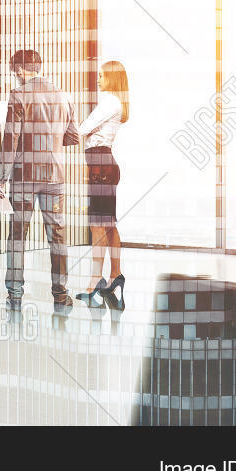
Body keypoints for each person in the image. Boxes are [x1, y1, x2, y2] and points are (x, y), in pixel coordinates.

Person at [0, 48, 79, 311]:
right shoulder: (64, 95)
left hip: (25, 177)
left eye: (14, 71)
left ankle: (15, 295)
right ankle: (60, 294)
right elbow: (74, 137)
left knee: (18, 236)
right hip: (55, 177)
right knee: (58, 236)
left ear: (20, 69)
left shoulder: (18, 95)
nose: (14, 76)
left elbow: (11, 139)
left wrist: (0, 178)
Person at [76, 61, 129, 309]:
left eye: (102, 76)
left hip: (101, 168)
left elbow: (83, 129)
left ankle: (95, 281)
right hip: (104, 167)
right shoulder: (115, 102)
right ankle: (115, 276)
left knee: (98, 227)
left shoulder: (109, 101)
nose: (98, 79)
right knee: (108, 225)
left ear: (112, 78)